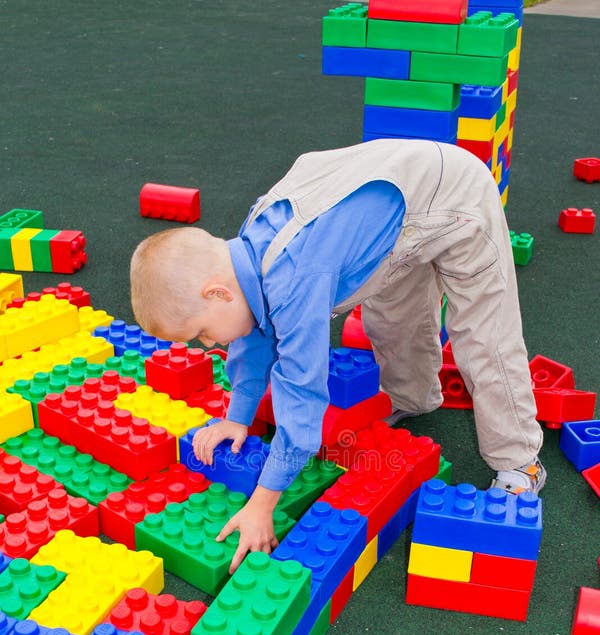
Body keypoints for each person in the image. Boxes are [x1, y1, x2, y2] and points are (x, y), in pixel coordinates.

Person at [130, 138, 545, 573]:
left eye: (200, 333)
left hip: (454, 198)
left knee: (484, 335)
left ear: (217, 292)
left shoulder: (295, 279)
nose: (209, 345)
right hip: (395, 221)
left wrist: (263, 502)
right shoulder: (244, 260)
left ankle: (520, 461)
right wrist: (237, 415)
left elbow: (301, 393)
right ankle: (413, 398)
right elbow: (253, 334)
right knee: (392, 318)